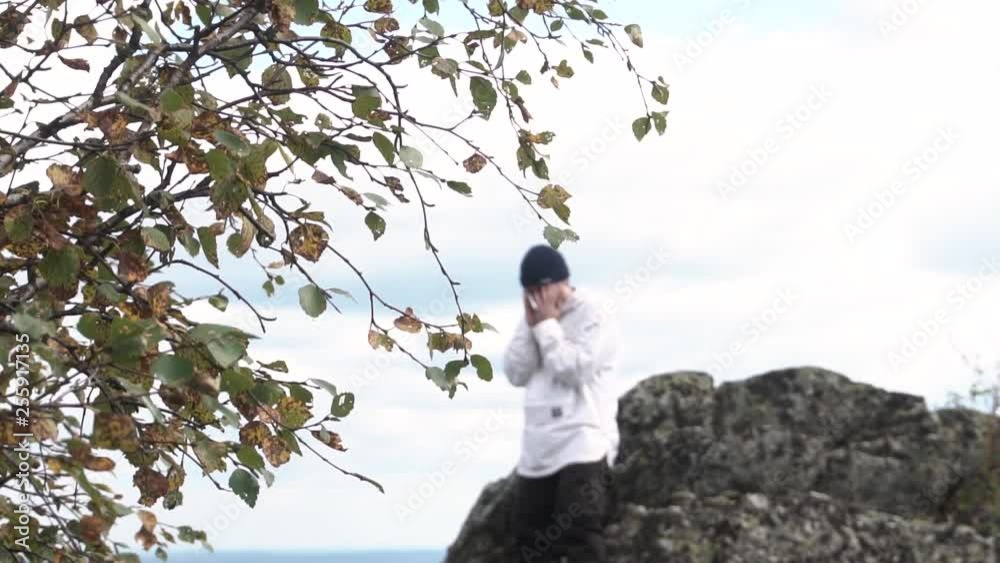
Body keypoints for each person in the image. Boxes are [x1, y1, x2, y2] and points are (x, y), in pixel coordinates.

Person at [503, 245, 620, 563]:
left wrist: (546, 327)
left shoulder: (594, 315)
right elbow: (515, 372)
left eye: (542, 288)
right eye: (530, 291)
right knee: (527, 539)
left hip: (584, 442)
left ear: (560, 282)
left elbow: (575, 369)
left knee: (580, 535)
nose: (537, 297)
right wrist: (532, 326)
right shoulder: (533, 319)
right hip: (539, 449)